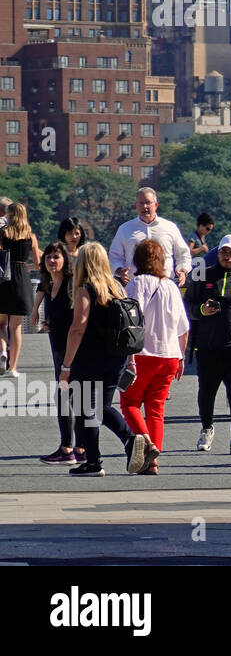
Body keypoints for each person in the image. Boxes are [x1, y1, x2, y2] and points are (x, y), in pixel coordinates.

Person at [57, 243, 159, 476]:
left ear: (82, 263)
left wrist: (66, 366)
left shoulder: (85, 288)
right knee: (102, 407)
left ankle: (94, 462)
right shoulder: (117, 286)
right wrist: (131, 360)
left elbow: (77, 328)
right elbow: (129, 326)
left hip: (90, 358)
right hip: (117, 358)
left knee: (85, 410)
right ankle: (133, 441)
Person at [122, 239, 190, 473]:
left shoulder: (136, 284)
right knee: (156, 408)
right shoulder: (170, 286)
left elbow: (132, 319)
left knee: (129, 403)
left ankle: (148, 444)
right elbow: (184, 326)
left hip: (143, 354)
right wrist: (181, 356)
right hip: (170, 355)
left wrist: (128, 356)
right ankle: (153, 461)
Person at [187, 235, 231, 456]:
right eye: (223, 252)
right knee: (206, 392)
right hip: (207, 346)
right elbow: (187, 305)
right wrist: (201, 310)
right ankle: (207, 429)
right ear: (218, 253)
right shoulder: (203, 275)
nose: (227, 257)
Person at [34, 241, 82, 464]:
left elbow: (77, 317)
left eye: (56, 257)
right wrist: (48, 323)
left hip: (72, 350)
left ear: (65, 260)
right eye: (48, 257)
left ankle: (68, 448)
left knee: (66, 397)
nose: (52, 260)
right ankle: (80, 448)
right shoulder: (48, 283)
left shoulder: (71, 284)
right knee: (71, 397)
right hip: (58, 347)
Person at [108, 188, 191, 286]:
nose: (145, 207)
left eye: (148, 203)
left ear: (156, 205)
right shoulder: (125, 229)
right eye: (141, 203)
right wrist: (120, 270)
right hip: (134, 286)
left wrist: (182, 271)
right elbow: (114, 256)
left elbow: (183, 254)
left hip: (165, 284)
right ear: (136, 206)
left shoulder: (170, 227)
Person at [0, 201, 41, 377]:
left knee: (1, 323)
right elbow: (38, 264)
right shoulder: (30, 236)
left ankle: (2, 351)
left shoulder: (3, 233)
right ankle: (13, 368)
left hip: (3, 279)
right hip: (22, 278)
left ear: (9, 215)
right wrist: (26, 267)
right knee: (16, 327)